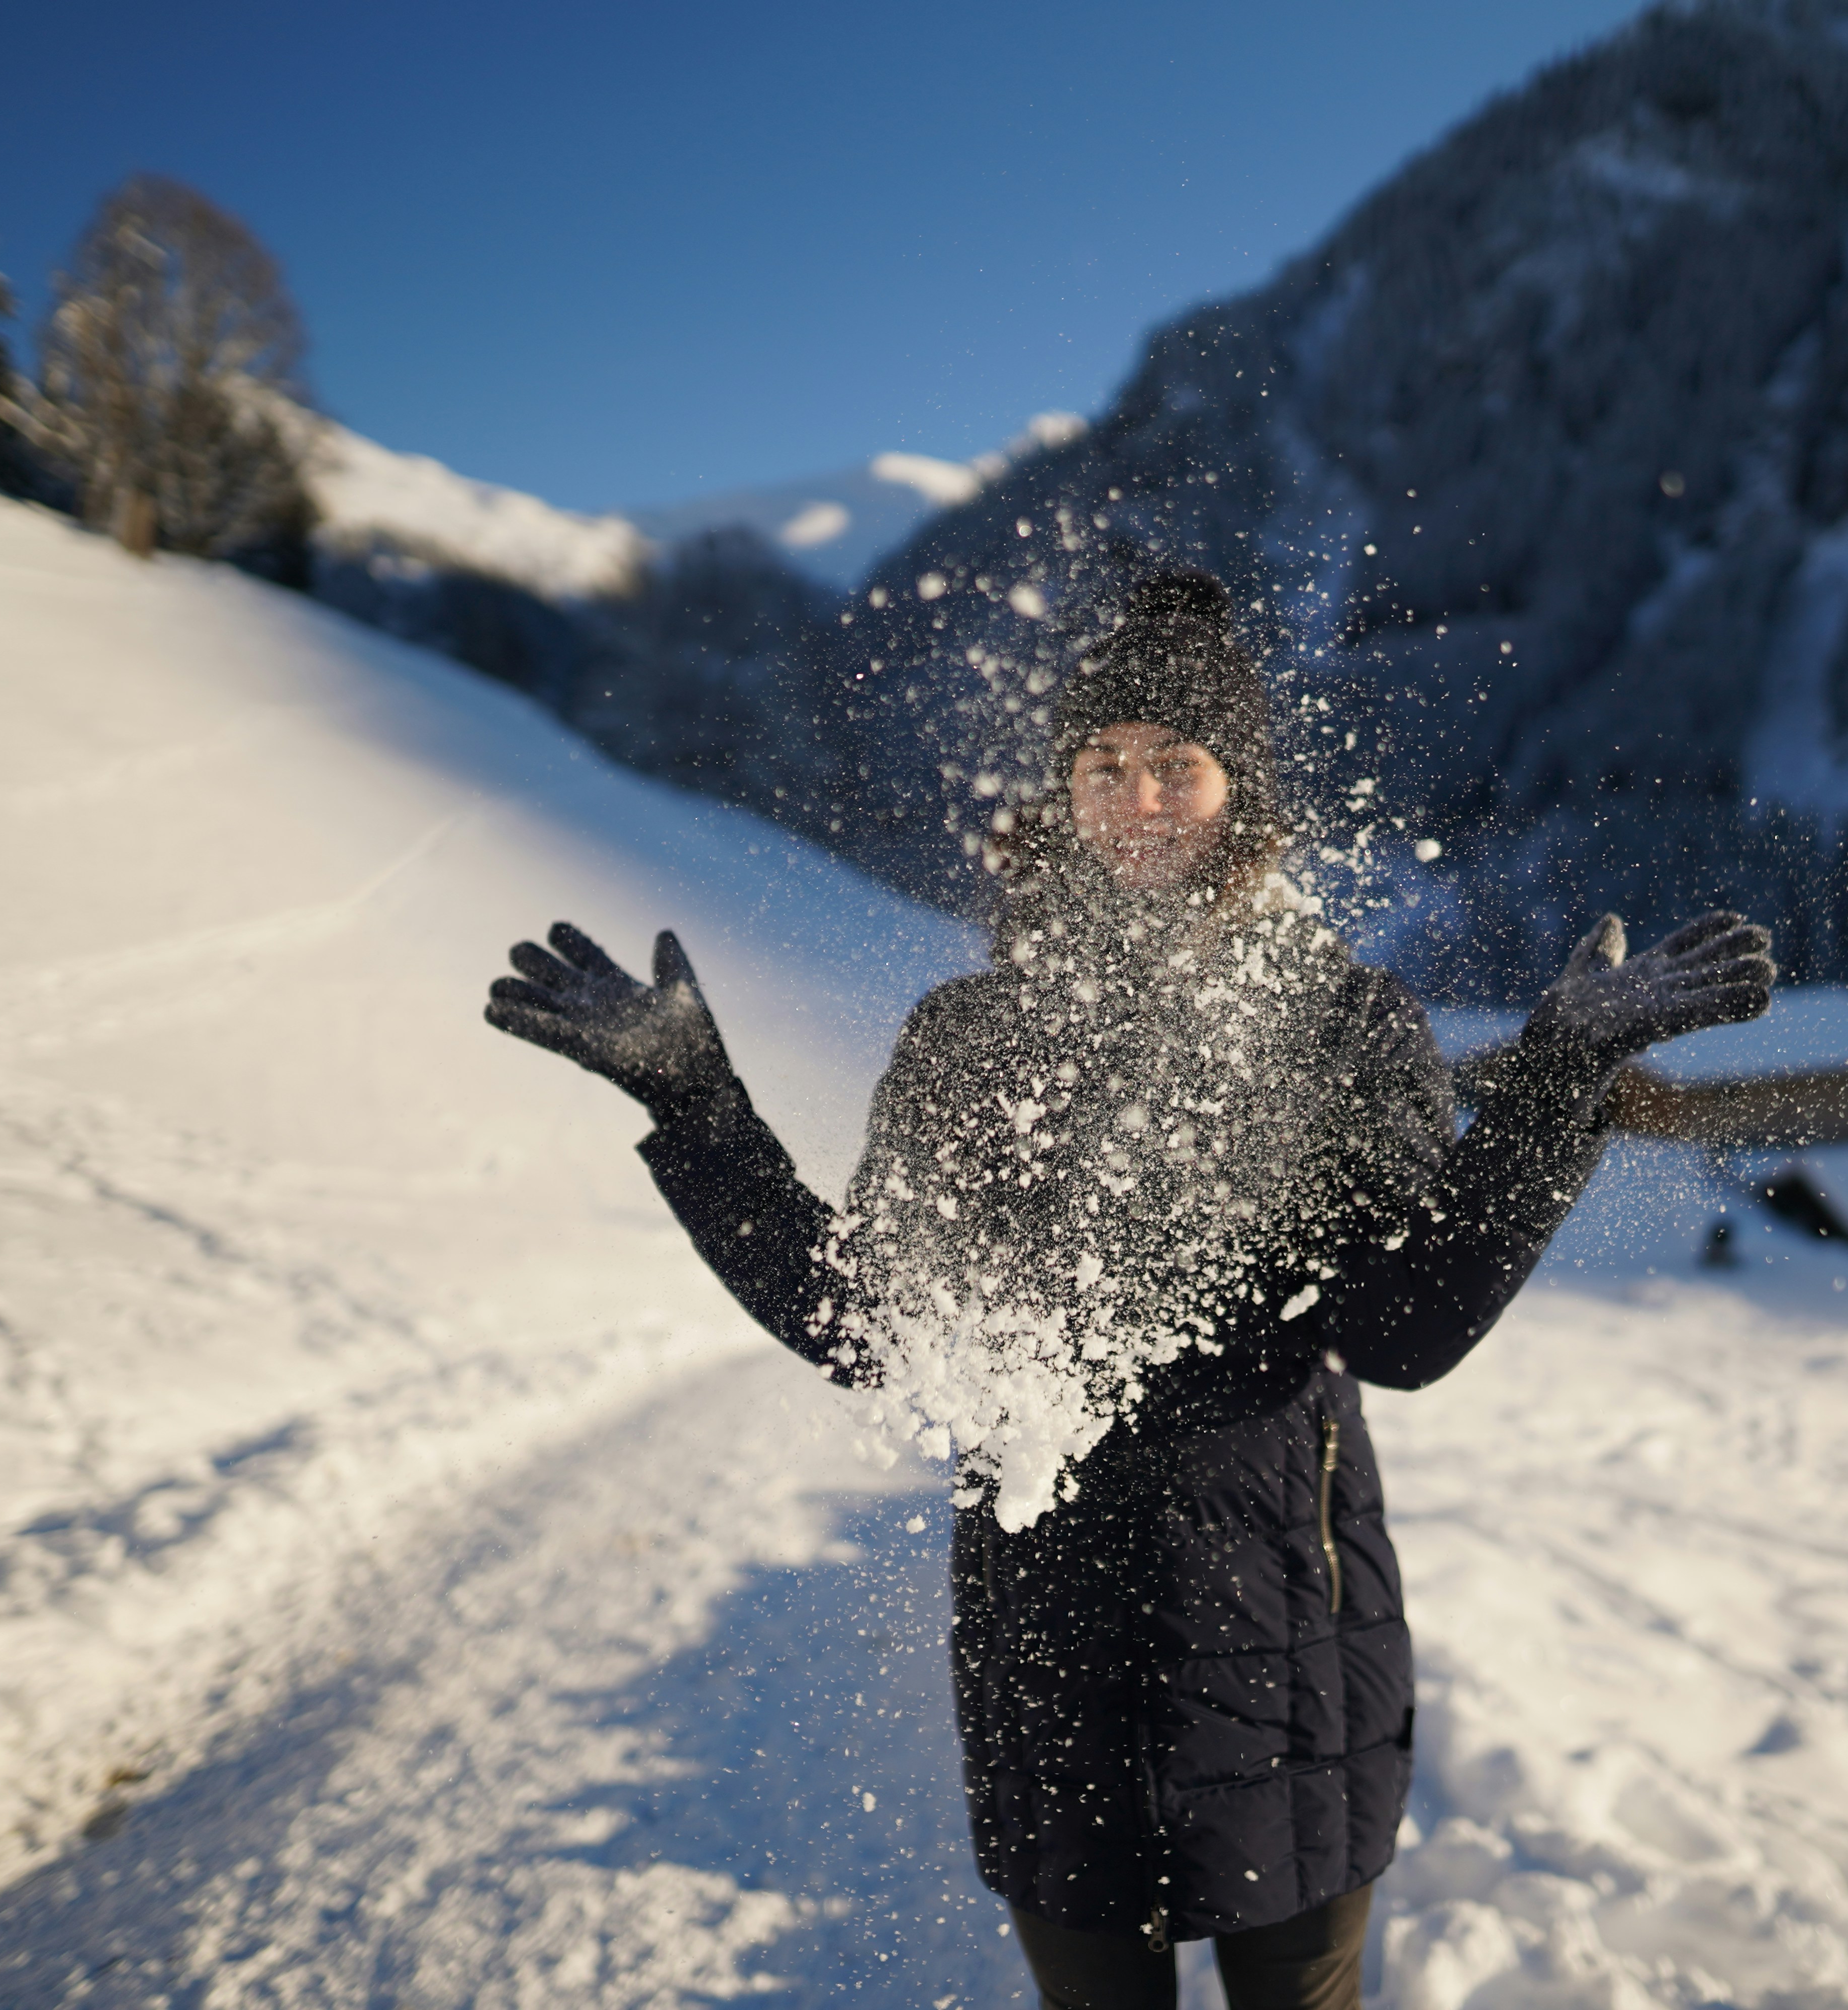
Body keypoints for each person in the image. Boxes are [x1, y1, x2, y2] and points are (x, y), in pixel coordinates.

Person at [484, 570, 1774, 2009]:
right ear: (1059, 796)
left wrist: (1554, 1089)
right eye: (1103, 766)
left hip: (1286, 1633)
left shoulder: (1343, 1023)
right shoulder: (969, 1039)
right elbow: (870, 1325)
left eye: (1178, 764)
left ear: (1243, 794)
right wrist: (700, 1112)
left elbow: (1408, 1332)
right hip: (1051, 1650)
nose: (1138, 799)